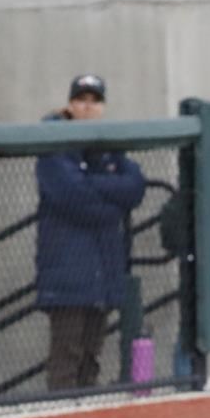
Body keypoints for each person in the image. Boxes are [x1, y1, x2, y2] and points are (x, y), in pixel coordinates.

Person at [34, 73, 145, 391]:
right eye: (81, 100)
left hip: (104, 269)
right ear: (70, 105)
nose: (87, 107)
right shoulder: (52, 142)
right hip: (67, 272)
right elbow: (72, 196)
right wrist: (113, 202)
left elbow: (135, 185)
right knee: (66, 357)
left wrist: (96, 188)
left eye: (95, 101)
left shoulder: (108, 145)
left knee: (91, 357)